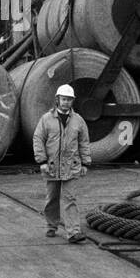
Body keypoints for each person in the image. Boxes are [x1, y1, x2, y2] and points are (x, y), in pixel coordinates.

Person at [32, 84, 91, 243]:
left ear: (72, 101)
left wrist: (85, 163)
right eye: (63, 99)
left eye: (69, 100)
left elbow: (84, 142)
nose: (66, 102)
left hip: (71, 167)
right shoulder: (46, 119)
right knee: (52, 198)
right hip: (51, 166)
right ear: (57, 100)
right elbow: (38, 139)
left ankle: (73, 233)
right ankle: (51, 226)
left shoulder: (78, 120)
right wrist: (42, 160)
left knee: (70, 199)